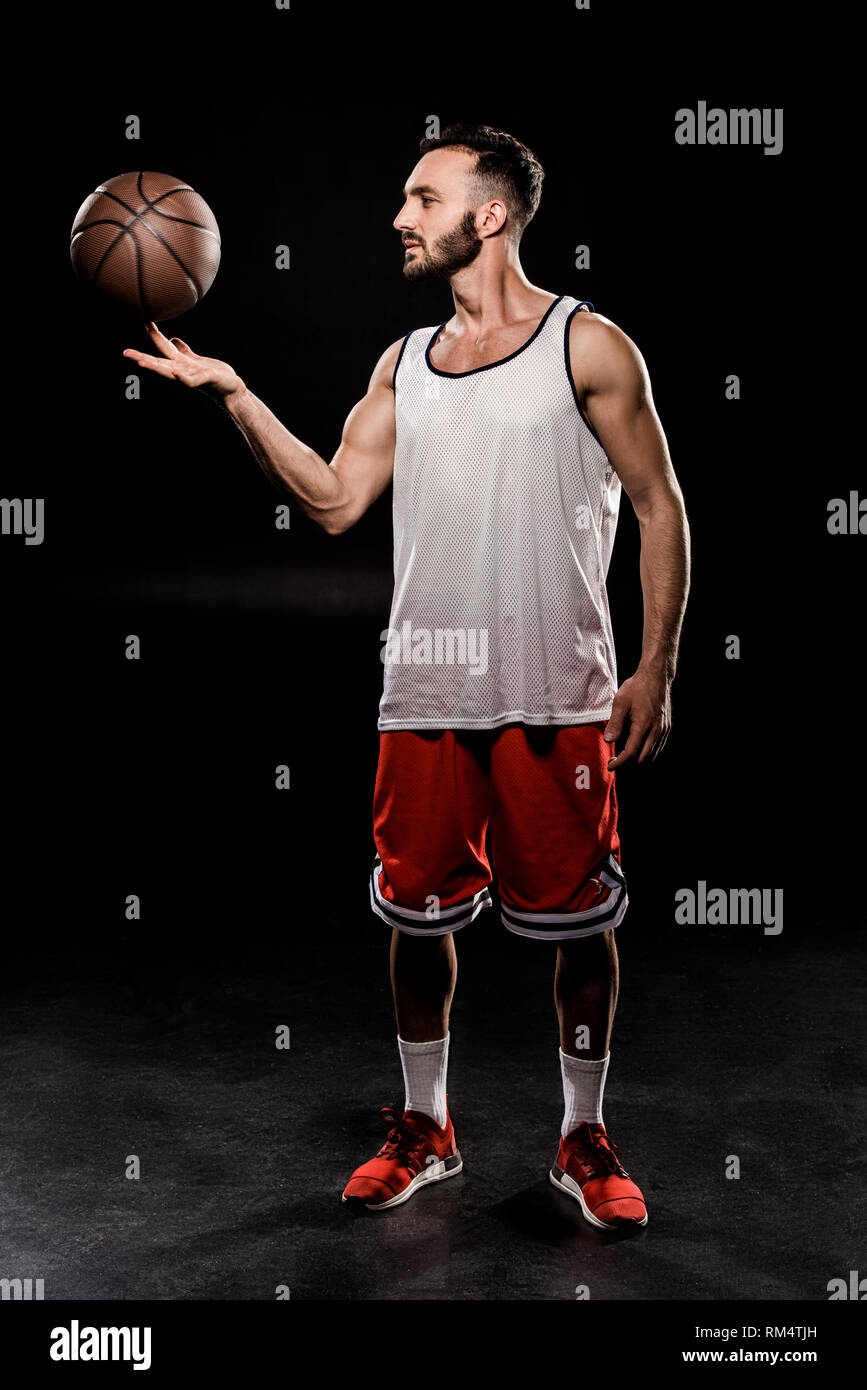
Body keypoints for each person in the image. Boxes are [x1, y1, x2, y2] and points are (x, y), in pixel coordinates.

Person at [124, 124, 690, 1230]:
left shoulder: (591, 347)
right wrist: (234, 393)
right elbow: (335, 499)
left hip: (560, 693)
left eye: (422, 197)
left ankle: (583, 1137)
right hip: (426, 693)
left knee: (579, 927)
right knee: (416, 918)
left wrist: (659, 665)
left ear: (488, 216)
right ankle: (427, 1126)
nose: (399, 216)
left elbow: (663, 507)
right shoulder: (404, 365)